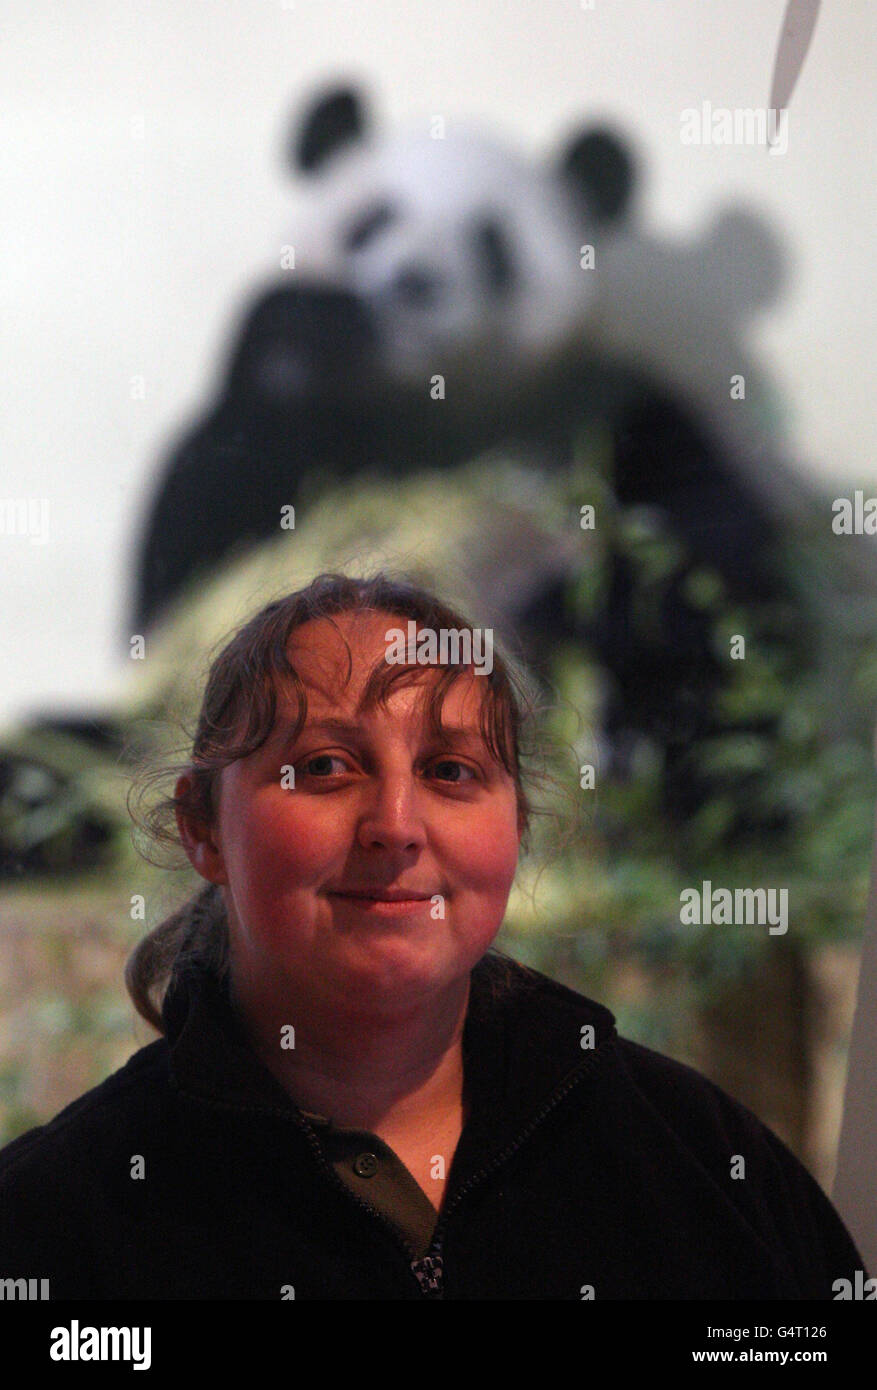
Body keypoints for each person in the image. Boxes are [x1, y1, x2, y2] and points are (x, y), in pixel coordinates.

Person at [0, 571, 866, 1299]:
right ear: (203, 827)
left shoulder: (701, 1165)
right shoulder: (56, 1225)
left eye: (451, 771)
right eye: (326, 768)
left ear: (515, 826)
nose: (395, 826)